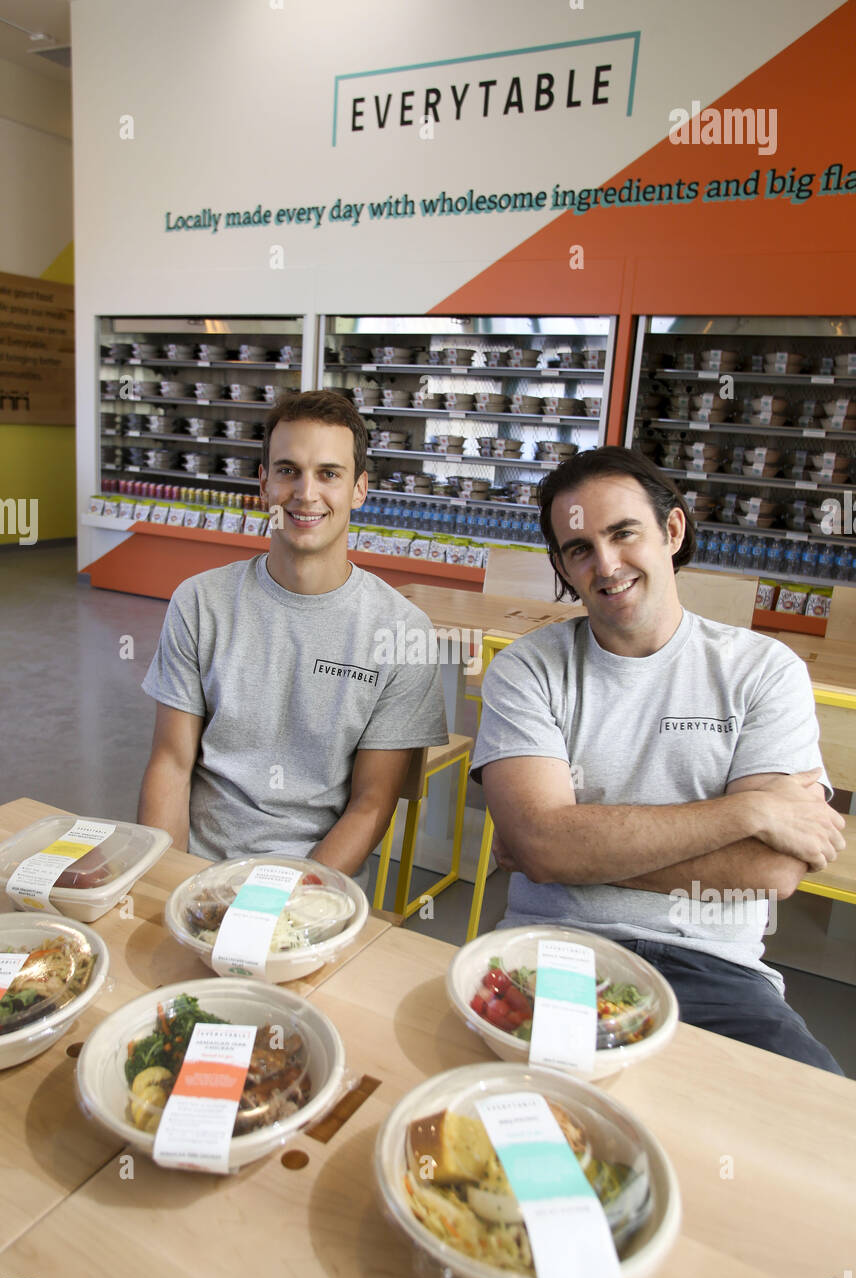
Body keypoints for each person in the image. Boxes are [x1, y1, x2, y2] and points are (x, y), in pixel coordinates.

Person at [470, 446, 847, 1073]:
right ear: (563, 566)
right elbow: (541, 846)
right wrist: (749, 809)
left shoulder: (764, 670)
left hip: (720, 972)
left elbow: (773, 870)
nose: (607, 564)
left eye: (623, 534)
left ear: (672, 530)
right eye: (580, 548)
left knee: (820, 1142)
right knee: (525, 1131)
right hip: (555, 956)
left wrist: (569, 853)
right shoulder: (527, 668)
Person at [138, 389, 448, 887]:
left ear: (359, 489)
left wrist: (288, 904)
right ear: (264, 483)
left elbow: (372, 804)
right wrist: (168, 887)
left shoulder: (402, 632)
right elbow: (171, 765)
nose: (306, 493)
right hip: (198, 869)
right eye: (288, 470)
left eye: (329, 474)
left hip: (316, 884)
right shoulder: (199, 602)